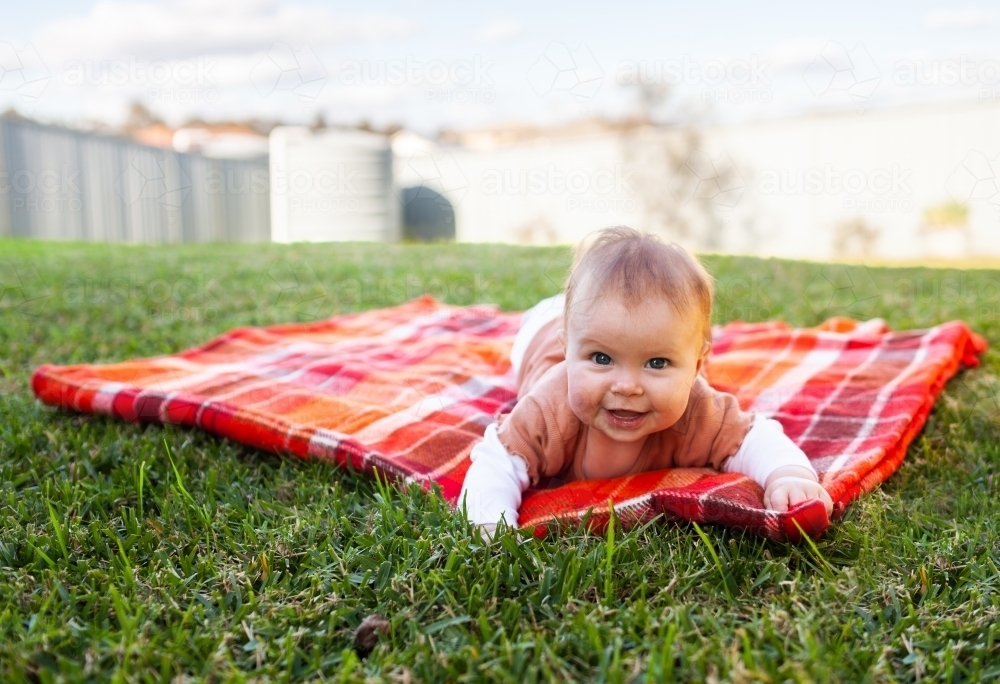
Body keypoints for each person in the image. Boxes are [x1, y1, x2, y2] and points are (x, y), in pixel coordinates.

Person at [460, 226, 833, 536]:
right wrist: (491, 523)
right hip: (538, 337)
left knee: (599, 321)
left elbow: (753, 437)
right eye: (601, 358)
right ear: (570, 349)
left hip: (577, 330)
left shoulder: (697, 411)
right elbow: (497, 461)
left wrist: (787, 474)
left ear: (698, 365)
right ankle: (557, 320)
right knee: (546, 324)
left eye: (657, 362)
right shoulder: (548, 408)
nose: (626, 386)